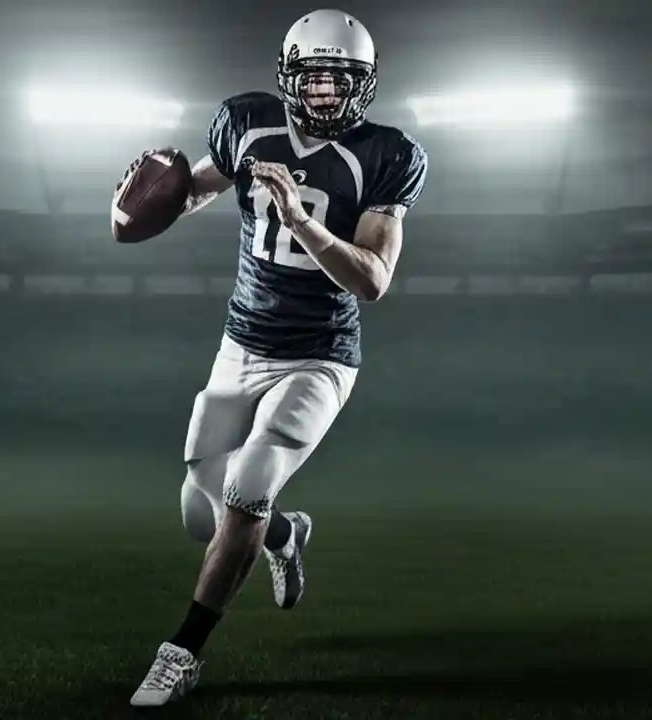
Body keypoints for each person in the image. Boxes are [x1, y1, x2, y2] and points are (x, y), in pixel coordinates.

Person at [126, 8, 428, 707]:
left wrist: (301, 220)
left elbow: (373, 279)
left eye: (340, 79)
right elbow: (201, 188)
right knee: (201, 511)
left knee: (249, 487)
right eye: (313, 77)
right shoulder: (247, 122)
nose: (325, 91)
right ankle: (285, 535)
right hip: (242, 343)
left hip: (320, 354)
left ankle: (183, 651)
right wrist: (153, 199)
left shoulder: (386, 153)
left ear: (364, 83)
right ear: (289, 77)